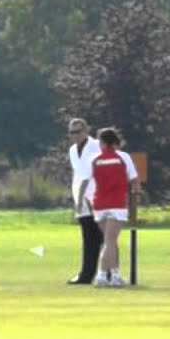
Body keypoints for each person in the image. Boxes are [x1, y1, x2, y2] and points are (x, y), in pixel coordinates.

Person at [76, 127, 140, 288]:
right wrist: (134, 195)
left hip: (99, 203)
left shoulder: (95, 158)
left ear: (102, 142)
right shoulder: (123, 157)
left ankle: (116, 275)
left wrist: (79, 201)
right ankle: (102, 275)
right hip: (117, 203)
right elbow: (134, 180)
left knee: (110, 241)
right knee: (110, 241)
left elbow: (84, 181)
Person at [66, 118, 102, 285]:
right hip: (81, 199)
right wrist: (76, 197)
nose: (76, 136)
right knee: (88, 238)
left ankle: (108, 273)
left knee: (104, 237)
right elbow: (78, 174)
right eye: (72, 132)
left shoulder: (96, 145)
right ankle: (86, 274)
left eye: (78, 131)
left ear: (86, 130)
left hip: (97, 195)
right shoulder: (73, 150)